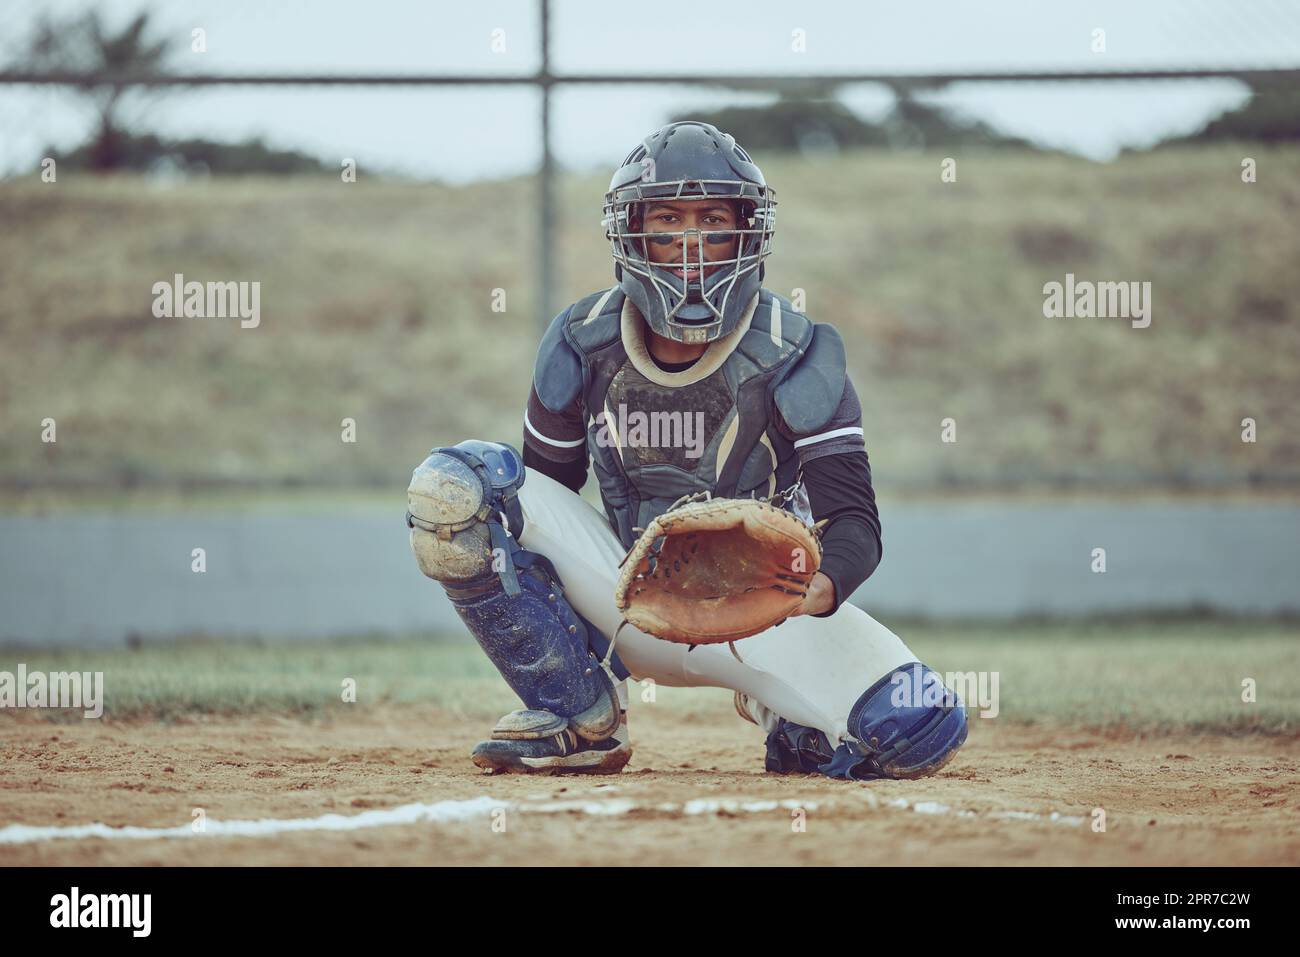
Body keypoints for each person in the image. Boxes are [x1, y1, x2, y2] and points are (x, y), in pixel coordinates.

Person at [407, 121, 967, 780]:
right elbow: (538, 509)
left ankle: (787, 715)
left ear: (748, 233)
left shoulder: (798, 351)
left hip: (760, 610)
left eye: (714, 221)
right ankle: (580, 715)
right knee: (459, 488)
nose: (693, 245)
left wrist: (802, 597)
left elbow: (856, 527)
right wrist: (576, 635)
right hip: (626, 599)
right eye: (669, 220)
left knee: (918, 723)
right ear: (632, 233)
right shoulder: (582, 342)